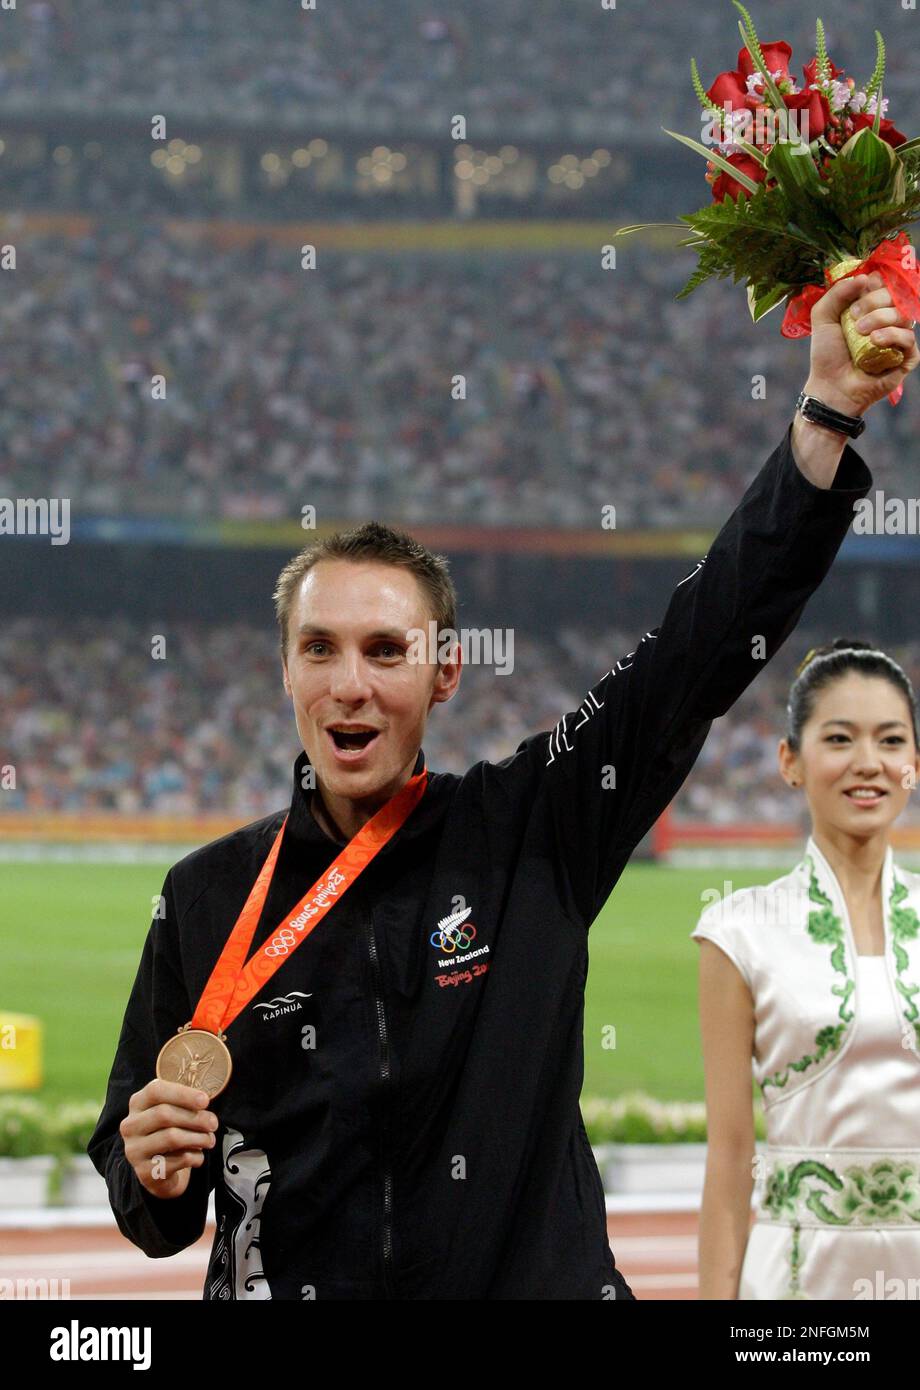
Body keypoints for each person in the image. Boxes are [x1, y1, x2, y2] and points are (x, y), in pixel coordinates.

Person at [87, 271, 918, 1299]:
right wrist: (152, 1170)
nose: (352, 683)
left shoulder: (533, 827)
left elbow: (693, 652)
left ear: (443, 672)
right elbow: (144, 1193)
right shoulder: (205, 893)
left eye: (386, 650)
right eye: (321, 648)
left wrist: (825, 415)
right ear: (286, 668)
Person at [693, 638, 920, 1300]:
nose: (868, 764)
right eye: (840, 739)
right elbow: (730, 1161)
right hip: (796, 1282)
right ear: (790, 761)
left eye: (891, 741)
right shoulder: (737, 932)